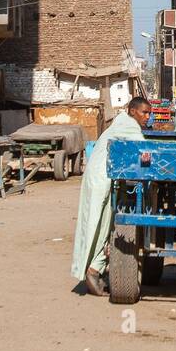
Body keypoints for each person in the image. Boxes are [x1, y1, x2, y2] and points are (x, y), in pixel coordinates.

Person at [72, 97, 150, 296]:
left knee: (101, 222)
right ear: (132, 111)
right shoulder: (129, 126)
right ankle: (93, 270)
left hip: (100, 178)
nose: (147, 117)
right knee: (99, 224)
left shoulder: (122, 123)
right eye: (144, 113)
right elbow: (145, 150)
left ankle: (95, 267)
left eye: (149, 113)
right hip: (100, 179)